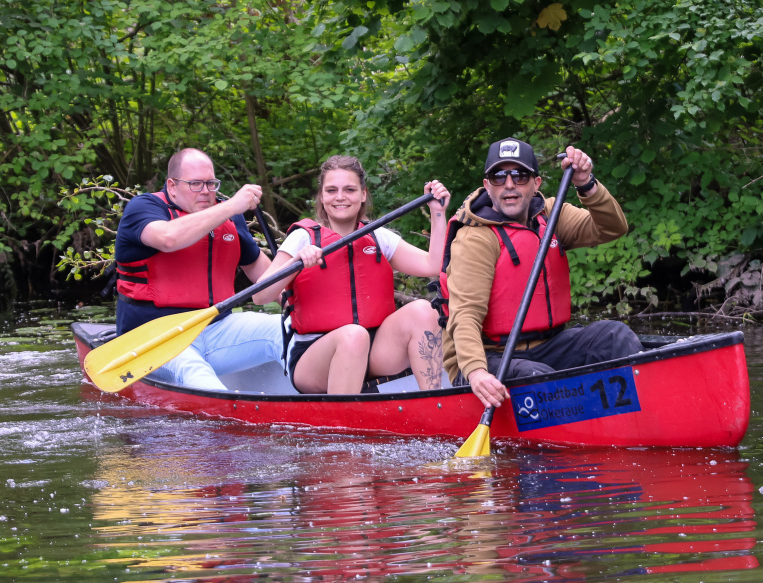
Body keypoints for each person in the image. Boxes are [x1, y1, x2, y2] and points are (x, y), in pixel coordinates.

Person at [440, 138, 641, 409]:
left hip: (548, 346)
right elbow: (465, 315)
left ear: (535, 183)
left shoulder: (551, 213)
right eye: (499, 177)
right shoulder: (475, 238)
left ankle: (637, 408)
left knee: (615, 337)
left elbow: (612, 228)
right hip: (489, 355)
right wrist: (476, 372)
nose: (509, 185)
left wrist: (586, 183)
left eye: (520, 176)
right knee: (541, 380)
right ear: (488, 186)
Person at [252, 156, 453, 393]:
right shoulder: (303, 238)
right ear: (322, 196)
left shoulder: (377, 236)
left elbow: (433, 265)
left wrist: (438, 213)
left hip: (372, 350)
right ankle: (344, 423)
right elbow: (260, 297)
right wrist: (296, 261)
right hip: (314, 359)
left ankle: (434, 400)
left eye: (349, 189)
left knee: (423, 310)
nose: (340, 197)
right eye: (331, 190)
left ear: (363, 194)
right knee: (353, 336)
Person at [113, 148, 280, 390]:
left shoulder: (230, 219)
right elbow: (168, 238)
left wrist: (300, 306)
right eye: (195, 184)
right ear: (172, 186)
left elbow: (267, 278)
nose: (205, 192)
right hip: (155, 337)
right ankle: (225, 419)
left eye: (210, 184)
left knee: (284, 330)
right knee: (194, 371)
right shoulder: (143, 208)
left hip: (217, 331)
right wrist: (232, 206)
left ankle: (327, 397)